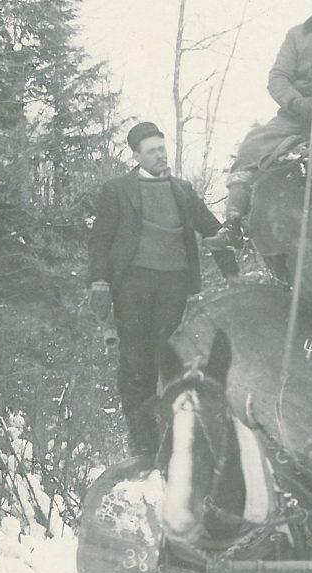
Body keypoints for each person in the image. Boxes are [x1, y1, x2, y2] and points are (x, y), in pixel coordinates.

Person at [87, 121, 239, 458]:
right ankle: (142, 446)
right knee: (135, 364)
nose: (161, 155)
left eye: (162, 149)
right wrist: (99, 281)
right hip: (133, 286)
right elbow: (100, 240)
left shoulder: (182, 191)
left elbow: (212, 231)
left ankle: (174, 443)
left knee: (170, 363)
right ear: (137, 155)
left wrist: (232, 274)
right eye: (153, 151)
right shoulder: (118, 190)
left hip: (174, 287)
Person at [204, 0, 312, 249]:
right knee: (253, 143)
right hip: (298, 113)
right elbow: (278, 77)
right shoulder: (296, 35)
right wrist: (295, 102)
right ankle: (232, 223)